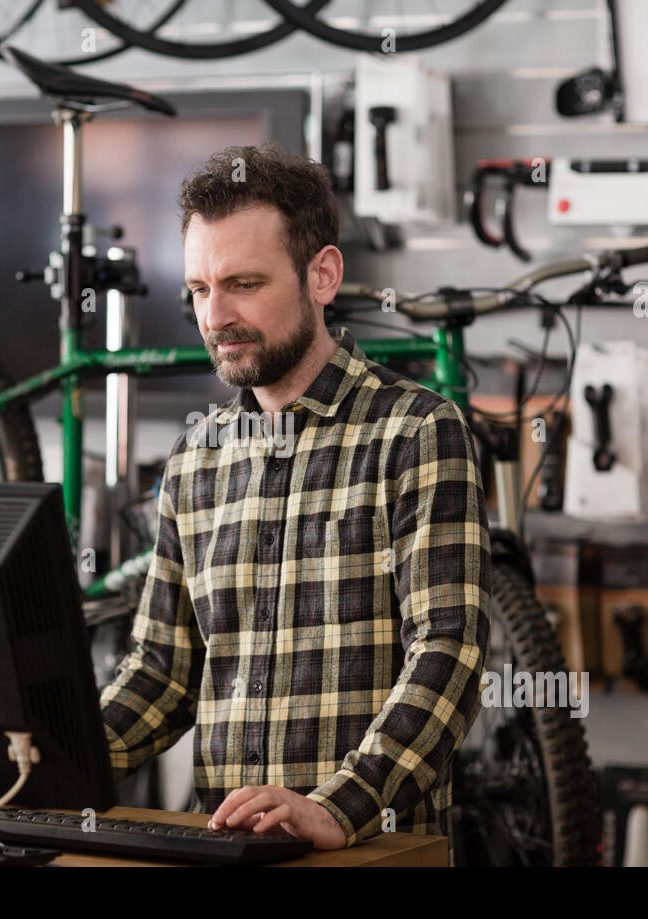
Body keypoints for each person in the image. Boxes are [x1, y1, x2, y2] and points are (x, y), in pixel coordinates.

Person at [99, 143, 490, 850]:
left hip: (370, 849)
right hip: (226, 850)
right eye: (198, 289)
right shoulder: (197, 457)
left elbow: (449, 652)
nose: (215, 316)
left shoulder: (418, 433)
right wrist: (40, 762)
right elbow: (161, 673)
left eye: (243, 284)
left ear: (323, 275)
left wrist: (341, 806)